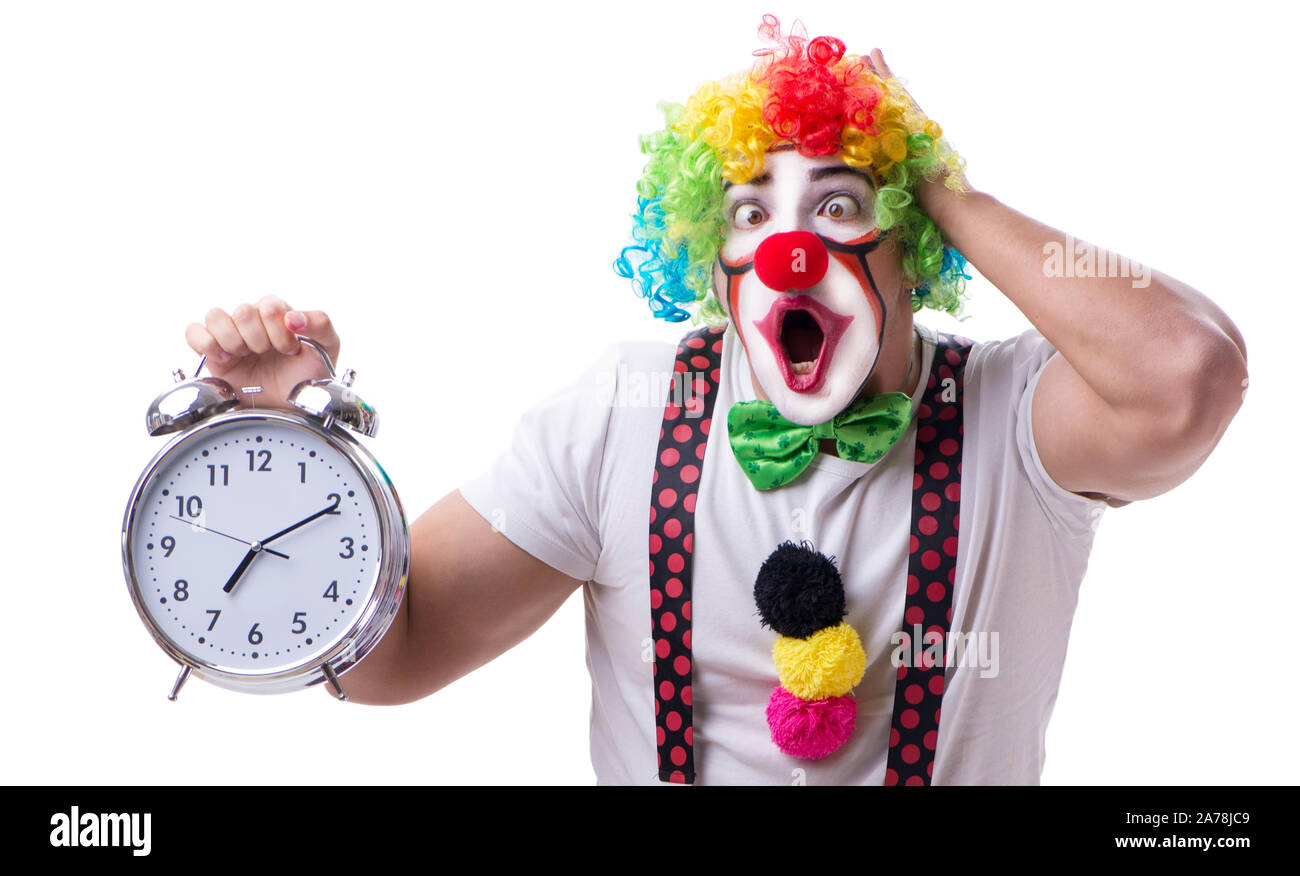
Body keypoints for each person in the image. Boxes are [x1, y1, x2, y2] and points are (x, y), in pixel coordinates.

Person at [182, 18, 1247, 785]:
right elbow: (388, 659)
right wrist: (287, 448)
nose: (791, 251)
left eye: (838, 204)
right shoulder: (620, 416)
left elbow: (1189, 374)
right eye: (748, 215)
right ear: (712, 263)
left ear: (912, 251)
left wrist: (942, 181)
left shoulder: (1018, 420)